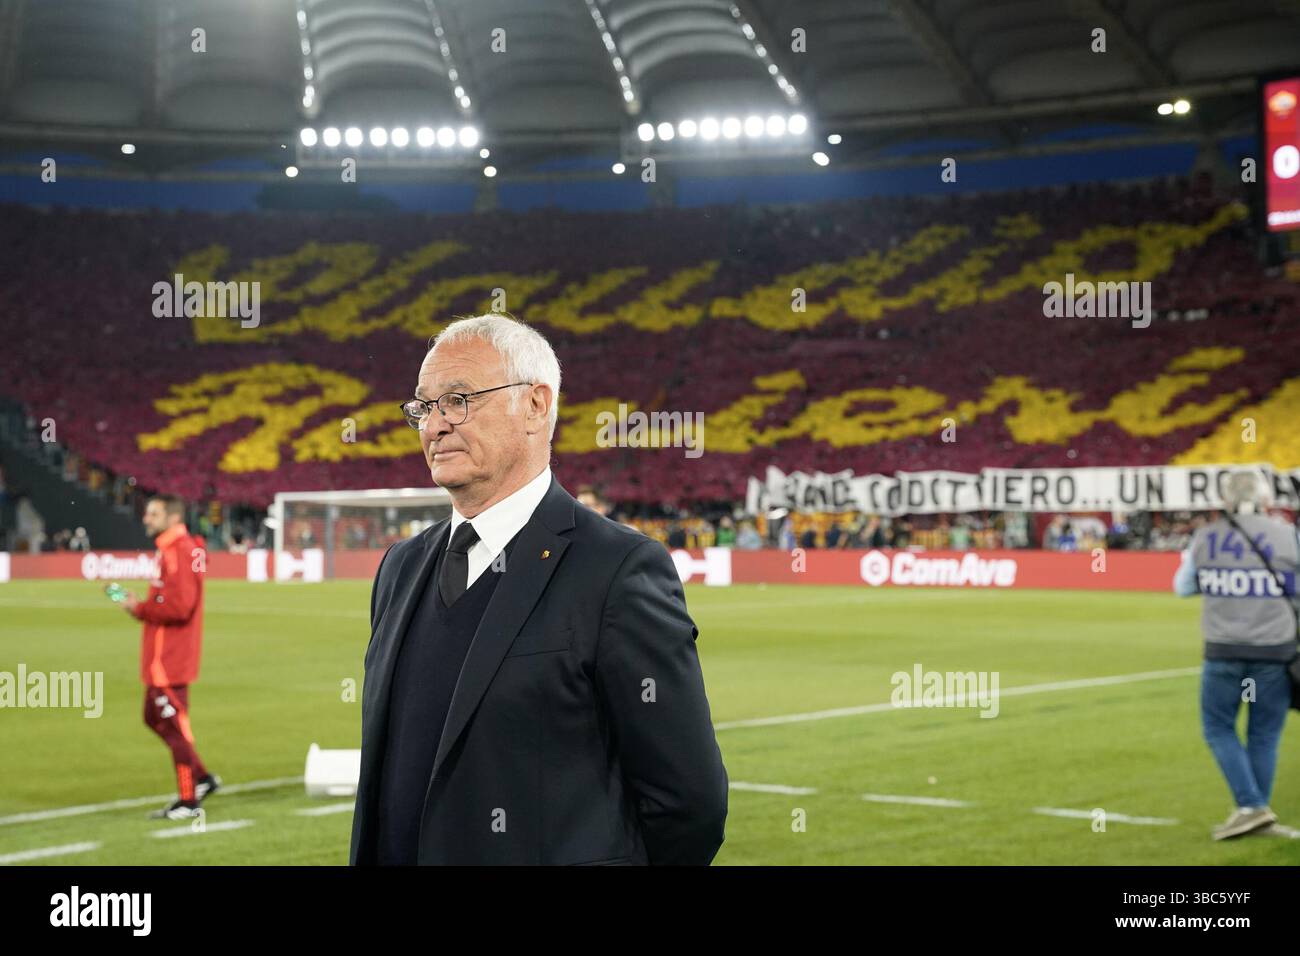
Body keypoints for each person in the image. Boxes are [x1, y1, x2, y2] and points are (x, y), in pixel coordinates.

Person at [350, 313, 728, 866]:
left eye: (458, 399)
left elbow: (689, 802)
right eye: (424, 407)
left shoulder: (617, 570)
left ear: (535, 406)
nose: (435, 425)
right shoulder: (400, 568)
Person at [1173, 471, 1299, 840]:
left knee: (1218, 728)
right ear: (1265, 497)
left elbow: (1182, 587)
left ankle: (1250, 806)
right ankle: (1255, 810)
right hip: (1275, 653)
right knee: (1264, 735)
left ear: (1225, 499)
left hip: (1224, 651)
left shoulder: (1205, 537)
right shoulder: (1288, 536)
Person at [120, 494, 220, 820]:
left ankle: (189, 801)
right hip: (161, 659)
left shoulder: (181, 551)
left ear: (174, 517)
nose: (146, 518)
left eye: (153, 513)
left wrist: (139, 608)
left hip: (170, 661)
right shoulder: (173, 550)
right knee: (153, 717)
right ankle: (203, 777)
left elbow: (180, 607)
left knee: (175, 728)